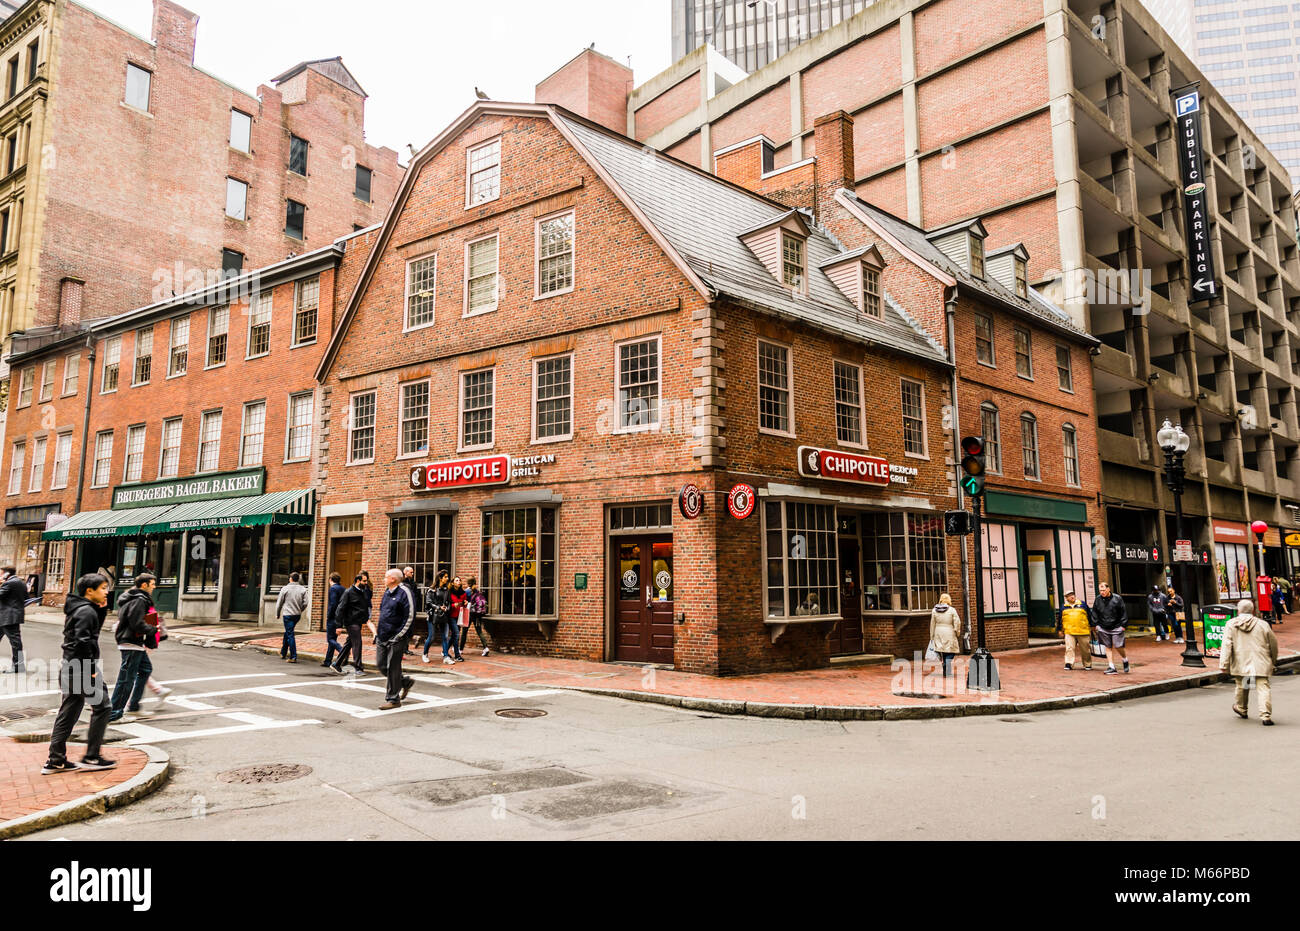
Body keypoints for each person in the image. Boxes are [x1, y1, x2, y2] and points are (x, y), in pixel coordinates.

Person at [42, 574, 116, 774]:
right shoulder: (86, 611)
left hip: (70, 665)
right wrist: (91, 669)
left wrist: (101, 611)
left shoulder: (81, 608)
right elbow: (83, 641)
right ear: (89, 591)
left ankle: (55, 760)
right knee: (103, 707)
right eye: (102, 588)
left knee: (69, 711)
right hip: (81, 667)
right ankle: (92, 757)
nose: (106, 591)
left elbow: (91, 633)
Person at [108, 573, 159, 723]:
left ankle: (134, 706)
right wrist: (152, 629)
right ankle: (115, 713)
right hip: (131, 642)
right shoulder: (139, 600)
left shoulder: (132, 597)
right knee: (126, 679)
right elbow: (136, 623)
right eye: (152, 584)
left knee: (145, 670)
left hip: (132, 642)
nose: (154, 587)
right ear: (144, 585)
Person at [1221, 598, 1279, 726]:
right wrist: (1273, 660)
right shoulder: (1263, 624)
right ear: (1253, 610)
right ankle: (1265, 716)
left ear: (1239, 610)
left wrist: (1223, 664)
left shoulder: (1231, 624)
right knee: (1263, 687)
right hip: (1261, 660)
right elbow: (1273, 644)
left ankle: (1242, 708)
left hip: (1241, 661)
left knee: (1243, 685)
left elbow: (1226, 644)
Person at [375, 569, 416, 710]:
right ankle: (404, 682)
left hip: (397, 637)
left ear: (393, 579)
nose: (383, 579)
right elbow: (383, 612)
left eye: (385, 577)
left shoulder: (405, 592)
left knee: (393, 667)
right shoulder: (387, 592)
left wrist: (400, 635)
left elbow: (410, 615)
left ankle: (393, 699)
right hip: (383, 635)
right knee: (381, 665)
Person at [333, 572, 373, 673]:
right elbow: (340, 609)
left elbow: (363, 606)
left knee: (349, 644)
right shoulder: (348, 592)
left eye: (366, 581)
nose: (366, 583)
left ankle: (337, 663)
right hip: (351, 622)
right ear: (358, 581)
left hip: (358, 621)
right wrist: (338, 625)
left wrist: (366, 619)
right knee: (357, 643)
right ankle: (358, 668)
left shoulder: (363, 592)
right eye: (364, 581)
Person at [1092, 581, 1129, 675]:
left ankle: (1125, 659)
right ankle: (1111, 666)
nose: (1102, 592)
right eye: (1100, 590)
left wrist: (1123, 625)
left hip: (1117, 626)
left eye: (1104, 590)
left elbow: (1123, 611)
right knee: (1107, 647)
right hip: (1103, 627)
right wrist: (1096, 624)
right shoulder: (1098, 599)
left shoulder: (1117, 598)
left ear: (1108, 589)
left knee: (1118, 645)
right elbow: (1095, 612)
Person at [275, 571, 308, 663]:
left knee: (290, 634)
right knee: (288, 632)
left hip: (288, 615)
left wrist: (277, 613)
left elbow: (279, 603)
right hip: (297, 615)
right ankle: (283, 652)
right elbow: (306, 603)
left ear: (291, 579)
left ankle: (293, 656)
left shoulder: (285, 589)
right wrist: (300, 609)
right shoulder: (302, 589)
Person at [1056, 589, 1093, 671]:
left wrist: (1092, 626)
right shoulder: (1063, 607)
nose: (1072, 596)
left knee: (1085, 649)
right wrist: (1059, 630)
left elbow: (1089, 616)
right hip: (1069, 631)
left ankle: (1087, 663)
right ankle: (1069, 663)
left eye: (1073, 594)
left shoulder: (1082, 604)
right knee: (1069, 648)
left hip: (1082, 630)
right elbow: (1060, 619)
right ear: (1066, 598)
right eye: (1069, 595)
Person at [928, 593, 962, 678]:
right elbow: (957, 622)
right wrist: (957, 631)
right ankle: (946, 665)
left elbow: (932, 624)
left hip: (938, 632)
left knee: (942, 651)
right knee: (951, 651)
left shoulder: (934, 610)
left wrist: (932, 636)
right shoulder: (952, 610)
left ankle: (946, 671)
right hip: (949, 631)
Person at [0, 565, 26, 673]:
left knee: (15, 642)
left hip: (8, 617)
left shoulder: (9, 583)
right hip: (9, 616)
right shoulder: (21, 583)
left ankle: (18, 666)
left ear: (6, 574)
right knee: (16, 642)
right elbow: (26, 597)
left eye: (1, 573)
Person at [422, 570, 450, 664]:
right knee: (431, 637)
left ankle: (446, 656)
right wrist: (438, 607)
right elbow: (428, 602)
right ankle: (425, 654)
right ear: (440, 578)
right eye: (445, 577)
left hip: (443, 615)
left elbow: (448, 602)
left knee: (445, 636)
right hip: (433, 615)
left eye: (447, 576)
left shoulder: (446, 590)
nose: (447, 578)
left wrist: (447, 608)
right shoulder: (432, 590)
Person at [322, 572, 347, 668]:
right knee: (333, 638)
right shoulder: (343, 589)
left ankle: (342, 651)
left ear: (330, 579)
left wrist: (329, 615)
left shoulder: (333, 589)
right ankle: (327, 660)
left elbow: (333, 604)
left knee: (330, 639)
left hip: (333, 617)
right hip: (340, 617)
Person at [462, 576, 489, 657]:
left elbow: (463, 602)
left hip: (469, 614)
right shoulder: (478, 592)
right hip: (477, 614)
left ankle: (460, 649)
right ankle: (486, 647)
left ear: (468, 583)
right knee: (479, 631)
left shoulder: (467, 591)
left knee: (464, 632)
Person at [445, 576, 468, 664]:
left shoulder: (463, 593)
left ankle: (445, 650)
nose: (458, 582)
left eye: (459, 580)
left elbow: (465, 603)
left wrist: (465, 603)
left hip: (460, 616)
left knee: (455, 635)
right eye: (456, 580)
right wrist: (453, 605)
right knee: (457, 634)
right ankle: (457, 655)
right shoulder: (449, 592)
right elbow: (447, 604)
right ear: (453, 583)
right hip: (451, 616)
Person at [401, 567, 422, 655]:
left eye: (413, 572)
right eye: (411, 572)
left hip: (412, 608)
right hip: (404, 609)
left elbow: (417, 595)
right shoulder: (402, 583)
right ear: (405, 573)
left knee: (409, 629)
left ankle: (406, 648)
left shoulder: (413, 583)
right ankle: (402, 649)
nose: (412, 574)